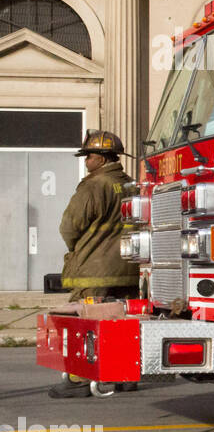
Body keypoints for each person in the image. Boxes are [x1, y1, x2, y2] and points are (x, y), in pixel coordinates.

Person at [50, 130, 139, 399]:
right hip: (129, 269)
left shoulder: (93, 186)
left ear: (101, 158)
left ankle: (79, 379)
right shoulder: (131, 185)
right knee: (121, 323)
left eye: (88, 156)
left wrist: (79, 250)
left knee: (87, 323)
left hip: (94, 271)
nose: (86, 161)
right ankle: (124, 377)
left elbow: (69, 227)